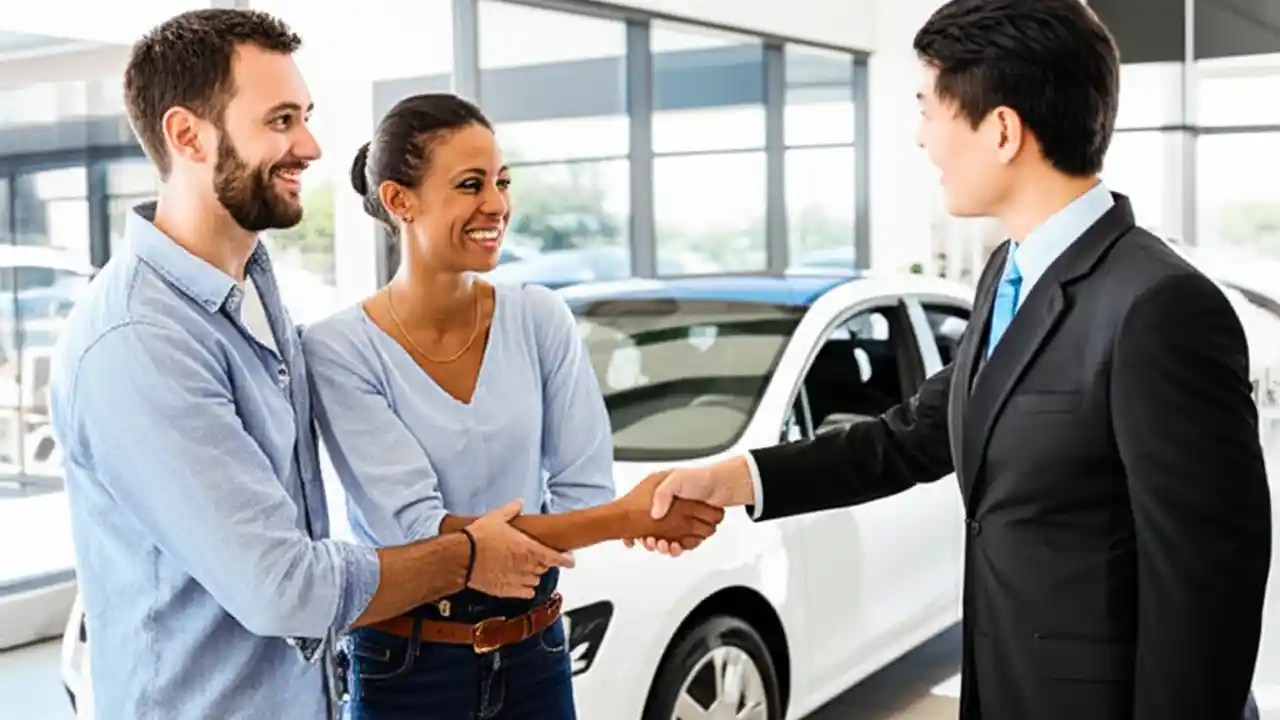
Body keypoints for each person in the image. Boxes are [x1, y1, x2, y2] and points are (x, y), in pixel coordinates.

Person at [632, 1, 1272, 719]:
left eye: (928, 109)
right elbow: (913, 434)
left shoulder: (1158, 306)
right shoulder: (1010, 269)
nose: (921, 138)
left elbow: (1209, 579)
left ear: (1001, 130)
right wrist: (736, 478)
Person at [48, 10, 582, 720]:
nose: (309, 144)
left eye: (305, 116)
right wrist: (468, 555)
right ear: (188, 135)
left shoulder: (254, 287)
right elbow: (284, 587)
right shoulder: (138, 340)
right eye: (280, 121)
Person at [301, 92, 724, 720]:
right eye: (471, 184)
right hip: (406, 665)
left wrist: (621, 513)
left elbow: (583, 490)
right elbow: (420, 534)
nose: (496, 204)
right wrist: (631, 517)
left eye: (502, 181)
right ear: (399, 200)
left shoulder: (538, 317)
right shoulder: (338, 349)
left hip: (534, 651)